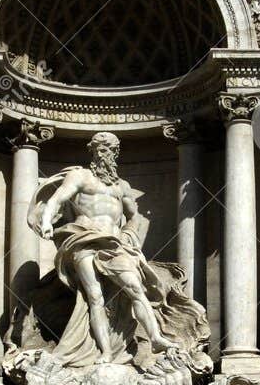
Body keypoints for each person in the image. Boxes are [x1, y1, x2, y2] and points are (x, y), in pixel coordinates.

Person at [31, 131, 207, 366]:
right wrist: (46, 222)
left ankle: (155, 337)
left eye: (111, 150)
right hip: (84, 240)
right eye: (101, 149)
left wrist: (129, 234)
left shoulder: (122, 186)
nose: (106, 154)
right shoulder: (80, 176)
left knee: (135, 288)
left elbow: (133, 217)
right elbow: (57, 200)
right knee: (95, 297)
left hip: (114, 244)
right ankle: (105, 352)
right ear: (92, 151)